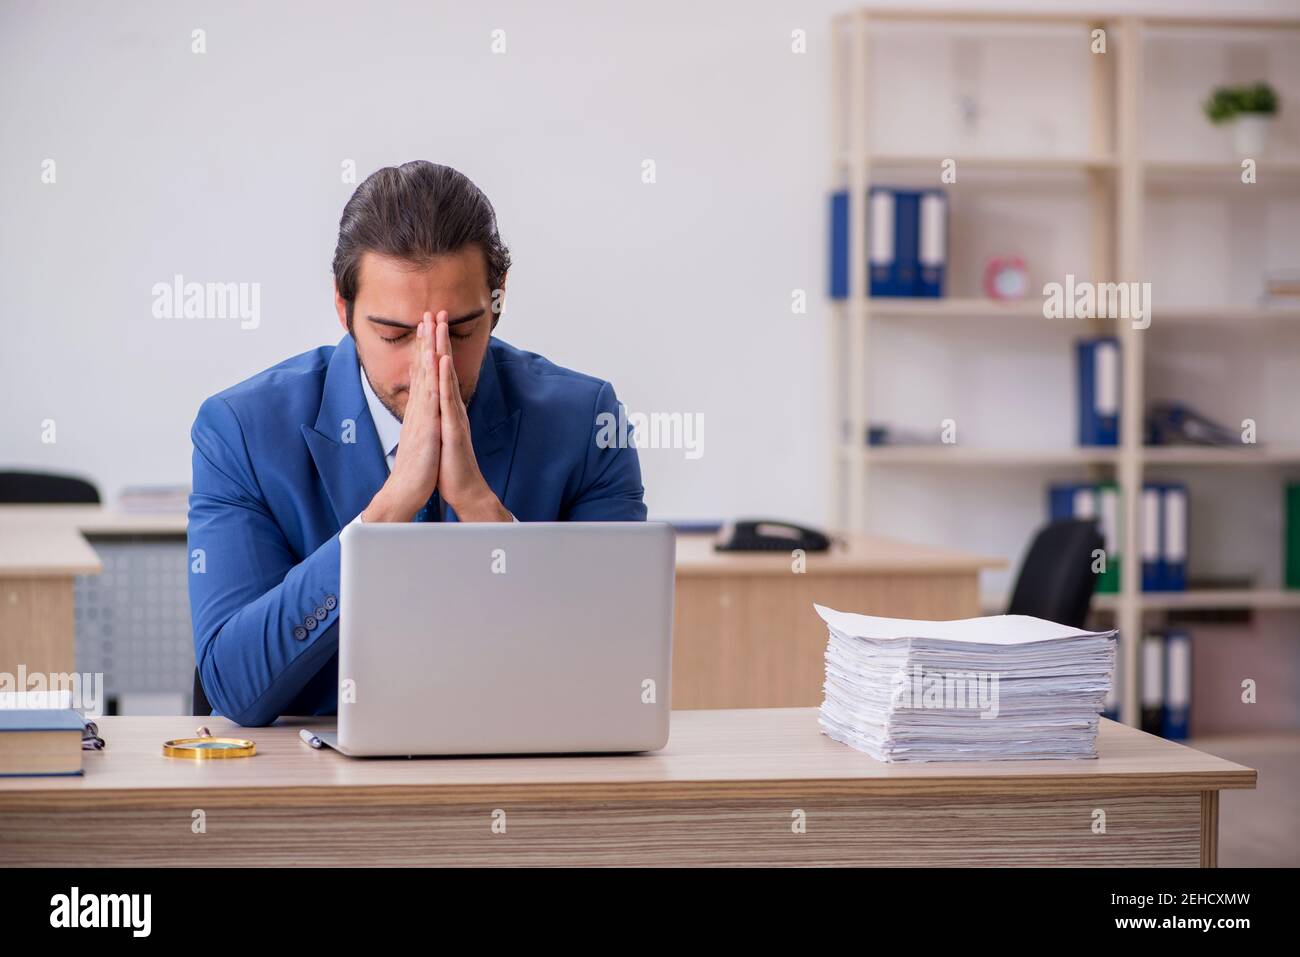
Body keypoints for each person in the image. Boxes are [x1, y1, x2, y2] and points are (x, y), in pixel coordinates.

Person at [186, 161, 646, 726]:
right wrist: (385, 513)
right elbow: (234, 685)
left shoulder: (586, 422)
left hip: (523, 770)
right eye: (395, 335)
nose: (430, 362)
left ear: (497, 303)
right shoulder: (241, 430)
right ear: (343, 310)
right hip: (319, 789)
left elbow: (619, 671)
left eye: (459, 330)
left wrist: (480, 509)